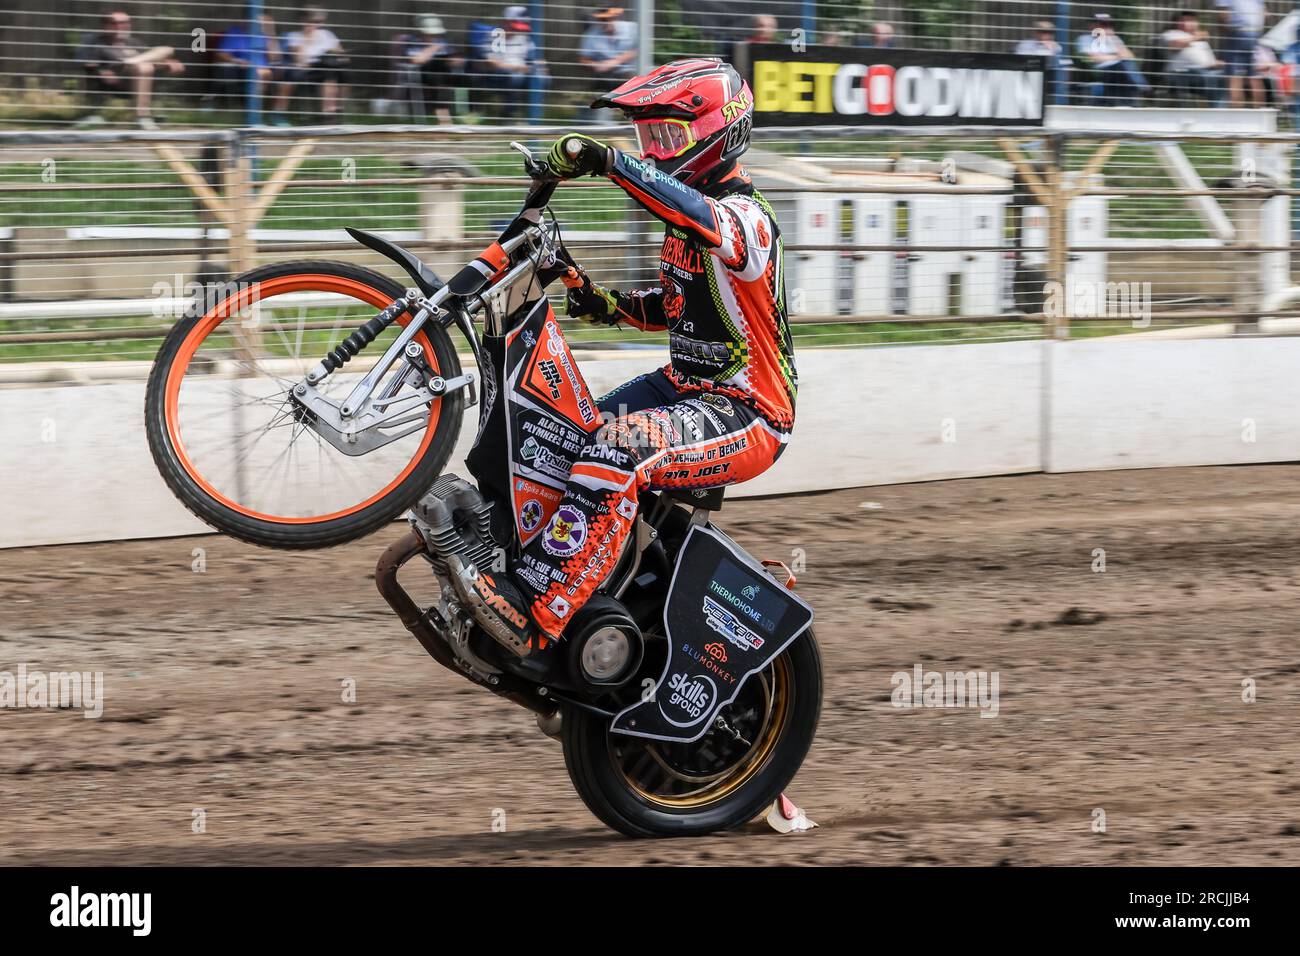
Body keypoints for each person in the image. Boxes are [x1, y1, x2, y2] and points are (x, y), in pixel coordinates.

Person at [465, 59, 798, 656]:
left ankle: (539, 614)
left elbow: (700, 220)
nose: (657, 148)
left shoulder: (748, 218)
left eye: (670, 134)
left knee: (620, 450)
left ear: (721, 130)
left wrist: (615, 162)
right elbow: (675, 305)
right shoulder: (689, 223)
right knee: (561, 434)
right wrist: (601, 301)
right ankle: (539, 571)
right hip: (682, 388)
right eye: (647, 137)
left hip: (749, 410)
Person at [77, 10, 184, 129]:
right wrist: (101, 71)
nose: (120, 26)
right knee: (144, 66)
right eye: (114, 23)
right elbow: (87, 63)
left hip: (137, 75)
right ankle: (143, 117)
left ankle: (129, 62)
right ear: (105, 25)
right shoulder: (96, 42)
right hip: (116, 77)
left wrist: (166, 64)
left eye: (125, 23)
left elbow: (150, 57)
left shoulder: (133, 42)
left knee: (166, 50)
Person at [275, 7, 348, 121]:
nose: (314, 25)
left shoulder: (326, 34)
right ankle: (330, 113)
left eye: (317, 22)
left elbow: (341, 54)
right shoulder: (293, 36)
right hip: (308, 69)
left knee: (339, 70)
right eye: (311, 21)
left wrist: (334, 55)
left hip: (328, 68)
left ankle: (334, 112)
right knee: (328, 73)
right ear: (302, 20)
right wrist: (307, 38)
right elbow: (299, 60)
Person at [477, 5, 549, 120]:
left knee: (543, 78)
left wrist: (541, 66)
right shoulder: (494, 36)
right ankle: (509, 115)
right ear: (505, 21)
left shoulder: (524, 37)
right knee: (514, 76)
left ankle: (533, 116)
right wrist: (518, 68)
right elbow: (492, 63)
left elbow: (536, 57)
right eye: (515, 25)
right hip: (497, 75)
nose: (517, 30)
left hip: (523, 72)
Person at [1076, 12, 1151, 105]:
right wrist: (1117, 56)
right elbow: (1095, 59)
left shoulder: (1113, 38)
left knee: (1125, 64)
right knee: (1124, 66)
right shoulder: (1085, 39)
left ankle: (1137, 93)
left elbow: (1129, 56)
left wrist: (1113, 39)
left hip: (1120, 69)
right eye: (1102, 24)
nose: (1105, 27)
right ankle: (1143, 88)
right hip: (1100, 70)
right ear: (1092, 25)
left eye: (1108, 24)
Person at [399, 14, 461, 124]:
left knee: (468, 78)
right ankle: (444, 120)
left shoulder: (444, 41)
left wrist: (455, 61)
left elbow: (454, 57)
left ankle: (470, 119)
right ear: (421, 32)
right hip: (422, 73)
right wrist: (433, 48)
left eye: (436, 34)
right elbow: (416, 60)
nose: (434, 37)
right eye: (430, 34)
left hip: (446, 73)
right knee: (439, 81)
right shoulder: (411, 41)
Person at [214, 16, 281, 114]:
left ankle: (269, 112)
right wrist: (237, 61)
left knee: (275, 72)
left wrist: (270, 32)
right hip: (242, 68)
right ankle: (254, 112)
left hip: (263, 69)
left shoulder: (263, 35)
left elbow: (274, 57)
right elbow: (220, 54)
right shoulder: (234, 33)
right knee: (261, 74)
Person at [1163, 11, 1224, 104]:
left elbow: (1211, 62)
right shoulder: (1171, 34)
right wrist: (1195, 37)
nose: (1192, 23)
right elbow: (1175, 45)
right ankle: (1215, 110)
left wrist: (1222, 64)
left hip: (1204, 72)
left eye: (1193, 20)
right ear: (1179, 23)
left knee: (1225, 75)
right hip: (1183, 73)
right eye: (1187, 20)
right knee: (1212, 77)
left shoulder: (1202, 42)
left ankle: (1221, 109)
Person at [1216, 0, 1267, 106]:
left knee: (1234, 76)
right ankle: (1260, 114)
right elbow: (1264, 13)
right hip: (1255, 33)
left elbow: (1223, 15)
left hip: (1238, 32)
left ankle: (1235, 116)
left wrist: (1226, 33)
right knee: (1254, 76)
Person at [578, 7, 637, 81]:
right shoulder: (591, 35)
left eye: (607, 19)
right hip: (607, 75)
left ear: (615, 18)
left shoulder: (631, 28)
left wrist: (617, 61)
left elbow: (642, 48)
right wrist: (595, 65)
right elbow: (583, 59)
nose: (604, 22)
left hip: (633, 71)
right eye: (601, 20)